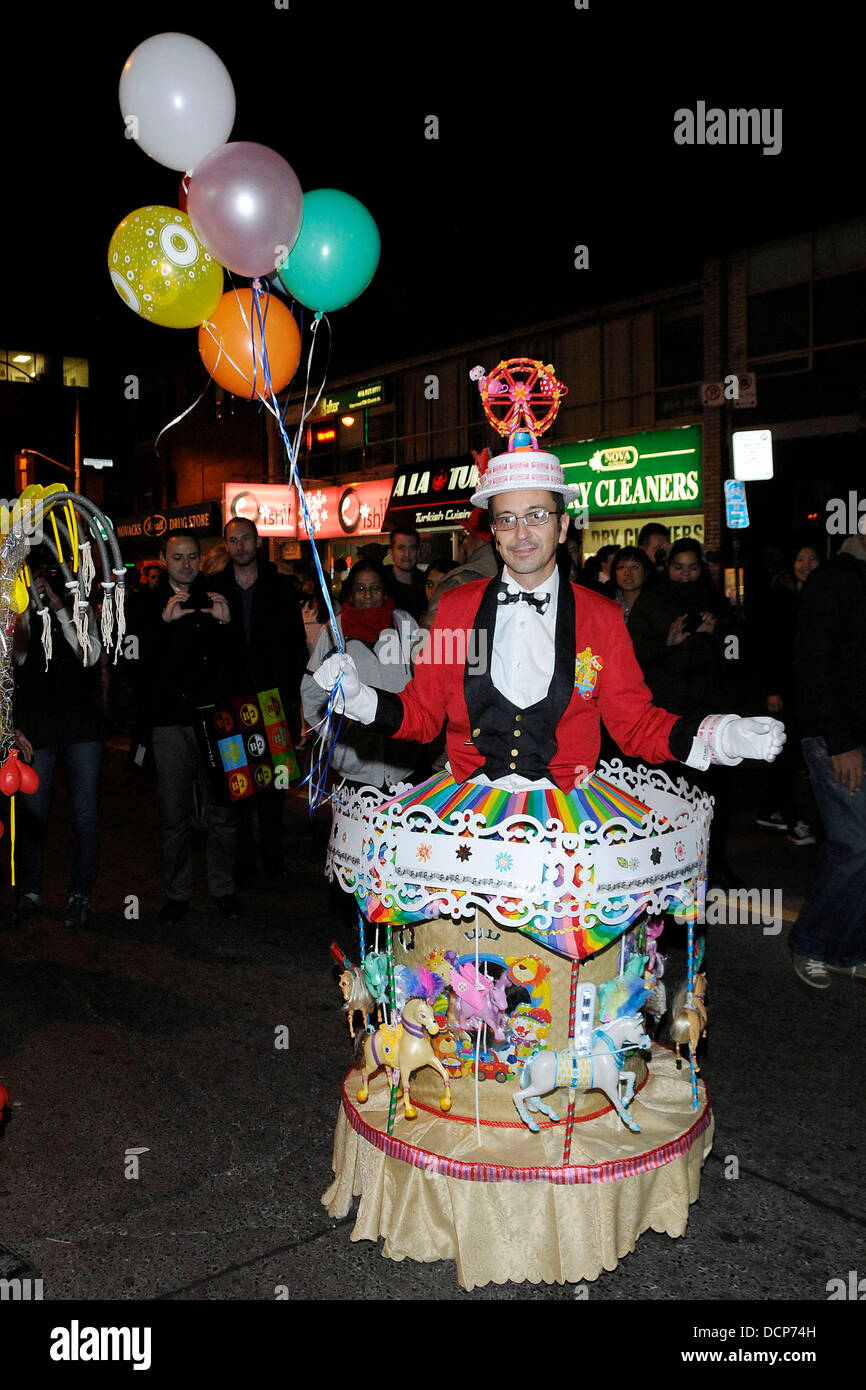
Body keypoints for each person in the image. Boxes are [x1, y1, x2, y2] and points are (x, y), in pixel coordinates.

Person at [314, 449, 782, 804]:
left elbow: (636, 725)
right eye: (508, 520)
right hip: (470, 812)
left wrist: (720, 736)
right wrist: (357, 696)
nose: (522, 533)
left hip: (569, 814)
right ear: (493, 534)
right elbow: (422, 715)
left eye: (537, 516)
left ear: (561, 527)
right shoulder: (456, 610)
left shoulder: (600, 617)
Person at [136, 530, 240, 921]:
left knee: (222, 812)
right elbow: (137, 665)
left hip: (216, 719)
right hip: (169, 721)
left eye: (192, 556)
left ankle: (223, 890)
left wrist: (228, 624)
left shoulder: (216, 595)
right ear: (163, 559)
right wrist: (163, 624)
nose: (186, 564)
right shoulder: (146, 602)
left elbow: (238, 659)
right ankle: (177, 893)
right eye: (177, 557)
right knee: (174, 814)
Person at [626, 538, 739, 887]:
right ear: (667, 568)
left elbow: (738, 656)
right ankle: (666, 867)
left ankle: (713, 862)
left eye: (692, 567)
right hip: (667, 716)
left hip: (709, 711)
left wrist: (715, 634)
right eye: (679, 567)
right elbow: (630, 657)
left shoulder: (717, 602)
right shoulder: (653, 602)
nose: (686, 575)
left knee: (712, 792)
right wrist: (668, 642)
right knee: (669, 793)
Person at [789, 529, 866, 989]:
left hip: (854, 734)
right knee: (854, 843)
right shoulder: (834, 580)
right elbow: (815, 664)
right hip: (837, 737)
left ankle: (848, 949)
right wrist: (840, 741)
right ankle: (813, 943)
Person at [211, 517, 307, 880]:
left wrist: (293, 698)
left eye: (246, 539)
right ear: (226, 545)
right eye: (233, 540)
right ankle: (243, 863)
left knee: (274, 785)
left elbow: (296, 644)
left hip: (273, 698)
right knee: (238, 787)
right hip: (230, 697)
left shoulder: (281, 587)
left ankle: (274, 859)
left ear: (258, 541)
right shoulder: (215, 587)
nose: (240, 546)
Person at [10, 556, 103, 928]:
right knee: (33, 812)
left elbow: (89, 654)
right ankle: (29, 892)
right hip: (37, 725)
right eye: (36, 583)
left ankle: (80, 893)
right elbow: (14, 660)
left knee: (83, 814)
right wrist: (22, 611)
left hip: (82, 723)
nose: (43, 588)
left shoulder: (79, 608)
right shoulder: (20, 615)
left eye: (48, 582)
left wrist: (62, 608)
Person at [302, 559, 419, 791]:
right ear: (351, 593)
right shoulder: (334, 630)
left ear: (385, 592)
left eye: (375, 588)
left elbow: (426, 679)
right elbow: (311, 689)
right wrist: (334, 736)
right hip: (355, 767)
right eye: (360, 589)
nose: (368, 595)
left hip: (404, 764)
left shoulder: (404, 623)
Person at [754, 541, 820, 845]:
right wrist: (772, 689)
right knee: (788, 753)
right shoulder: (781, 598)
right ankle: (793, 818)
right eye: (800, 559)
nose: (805, 564)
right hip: (787, 689)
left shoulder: (826, 594)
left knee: (795, 752)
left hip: (813, 689)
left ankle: (770, 808)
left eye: (812, 559)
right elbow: (770, 647)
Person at [422, 508, 500, 627]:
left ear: (483, 541)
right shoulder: (509, 571)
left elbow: (430, 631)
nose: (465, 541)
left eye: (467, 534)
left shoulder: (460, 579)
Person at [384, 528, 427, 620]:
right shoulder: (380, 583)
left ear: (418, 552)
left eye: (412, 548)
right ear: (390, 552)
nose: (407, 554)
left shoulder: (427, 583)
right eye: (401, 548)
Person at [610, 545, 653, 621]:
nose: (628, 572)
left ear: (645, 573)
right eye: (622, 567)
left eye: (635, 567)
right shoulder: (607, 605)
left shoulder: (655, 605)